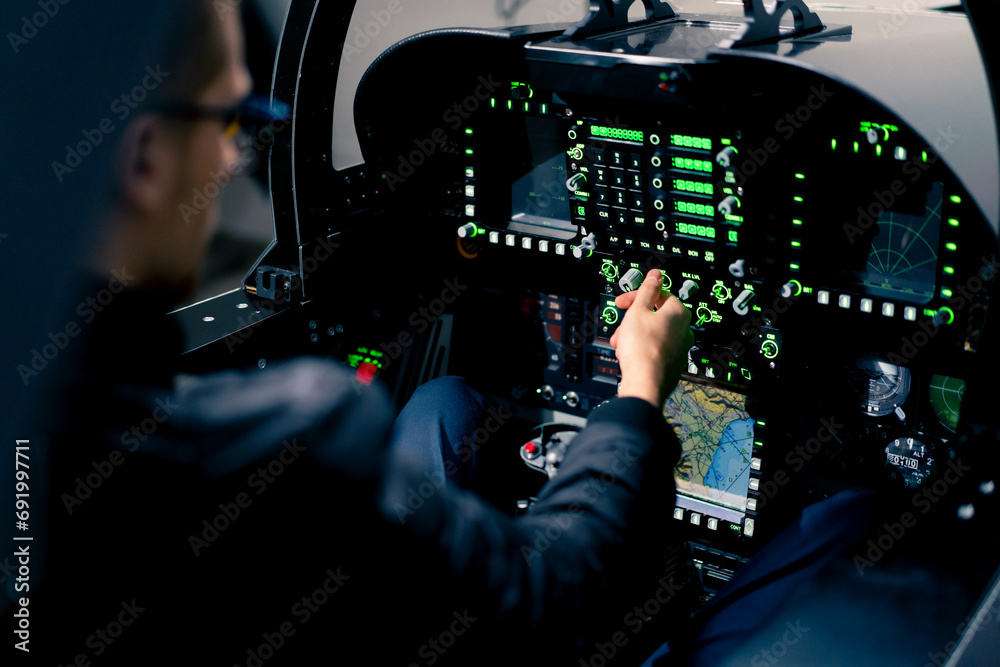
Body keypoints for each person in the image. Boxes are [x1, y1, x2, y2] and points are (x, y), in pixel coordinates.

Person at [27, 2, 694, 665]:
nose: (232, 161)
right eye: (231, 120)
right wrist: (638, 392)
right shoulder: (298, 430)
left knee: (446, 398)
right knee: (792, 547)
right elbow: (555, 597)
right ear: (145, 160)